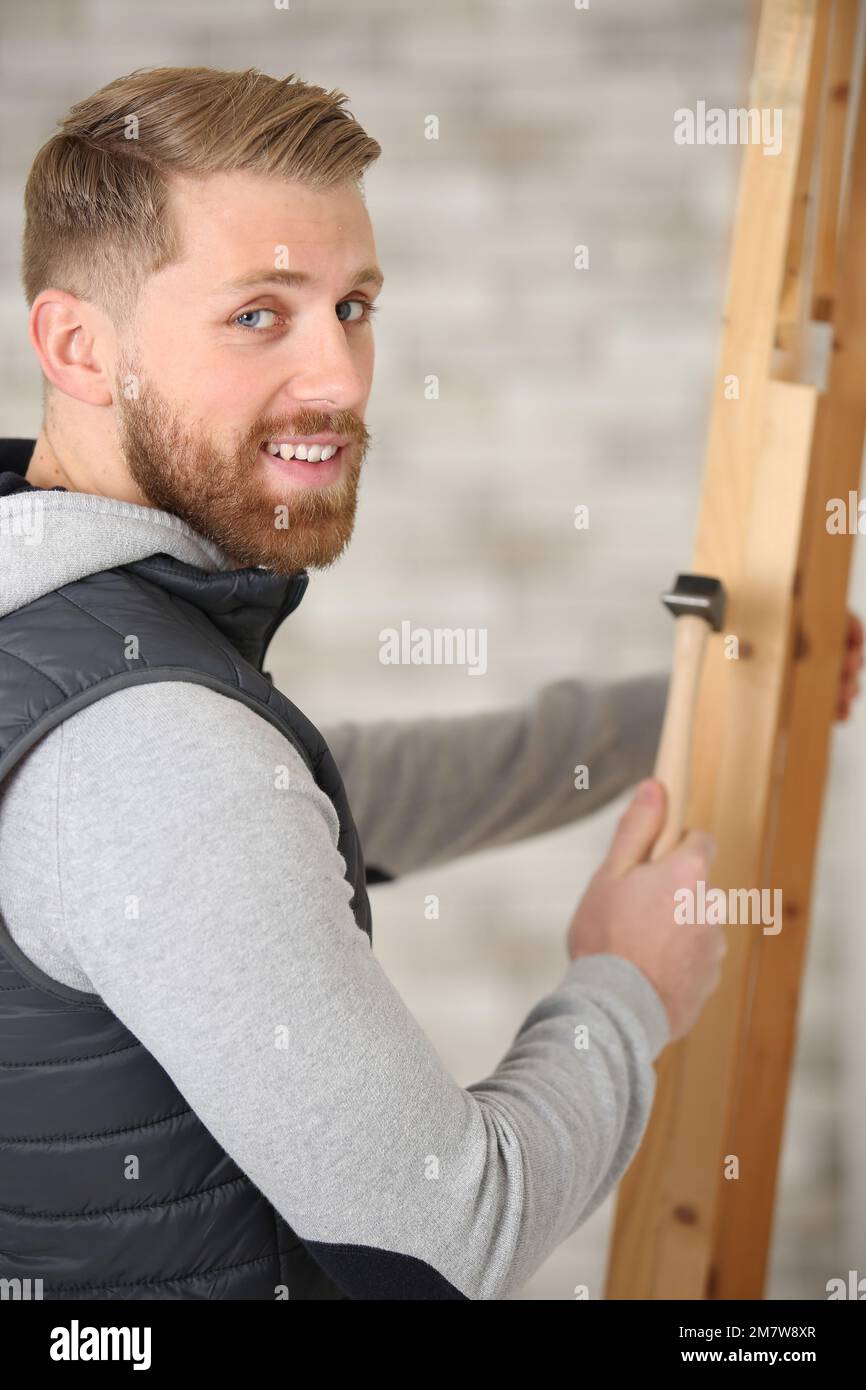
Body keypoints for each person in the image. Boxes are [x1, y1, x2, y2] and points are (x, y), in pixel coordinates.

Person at [0, 67, 861, 1302]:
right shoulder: (153, 748)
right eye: (260, 315)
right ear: (79, 346)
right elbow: (452, 1235)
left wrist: (691, 698)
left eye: (353, 306)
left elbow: (333, 792)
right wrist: (624, 984)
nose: (341, 379)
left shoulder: (61, 629)